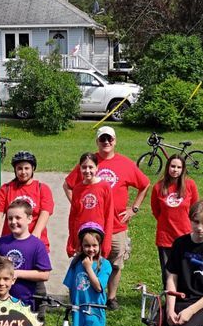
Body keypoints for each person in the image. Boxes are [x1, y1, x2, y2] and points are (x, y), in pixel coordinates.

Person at [63, 126, 150, 310]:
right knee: (87, 260)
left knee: (115, 263)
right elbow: (69, 185)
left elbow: (144, 184)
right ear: (97, 142)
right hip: (88, 230)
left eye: (109, 139)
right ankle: (86, 294)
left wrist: (133, 209)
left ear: (115, 140)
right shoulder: (90, 161)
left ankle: (111, 297)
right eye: (102, 139)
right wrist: (79, 205)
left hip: (116, 225)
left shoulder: (125, 164)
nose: (106, 142)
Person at [63, 224, 112, 326]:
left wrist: (88, 267)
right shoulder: (76, 264)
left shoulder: (105, 265)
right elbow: (71, 285)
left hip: (95, 311)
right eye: (86, 245)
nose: (91, 249)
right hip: (80, 309)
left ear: (100, 245)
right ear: (81, 245)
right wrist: (72, 304)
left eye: (94, 245)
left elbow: (98, 287)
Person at [151, 154, 199, 286]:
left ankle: (185, 299)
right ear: (167, 167)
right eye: (173, 166)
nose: (175, 170)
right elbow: (156, 211)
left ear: (183, 169)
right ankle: (169, 299)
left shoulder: (190, 185)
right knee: (168, 272)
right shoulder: (158, 187)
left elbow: (195, 209)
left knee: (186, 270)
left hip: (185, 235)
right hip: (165, 237)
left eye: (179, 167)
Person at [0, 200, 51, 309]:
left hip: (28, 303)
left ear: (29, 219)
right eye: (10, 218)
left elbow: (45, 275)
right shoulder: (2, 243)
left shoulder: (37, 245)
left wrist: (17, 273)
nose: (13, 222)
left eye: (18, 218)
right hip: (3, 302)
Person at [0, 150, 55, 247]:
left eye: (27, 168)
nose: (23, 172)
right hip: (10, 240)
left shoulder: (42, 188)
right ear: (15, 170)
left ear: (33, 169)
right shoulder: (6, 189)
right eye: (19, 168)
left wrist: (36, 232)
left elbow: (45, 212)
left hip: (34, 240)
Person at [65, 152, 114, 260]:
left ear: (97, 168)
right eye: (84, 167)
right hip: (82, 237)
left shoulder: (104, 187)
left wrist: (106, 244)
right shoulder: (78, 188)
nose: (87, 171)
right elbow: (73, 217)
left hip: (98, 237)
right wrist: (72, 241)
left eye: (91, 167)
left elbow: (109, 216)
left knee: (96, 271)